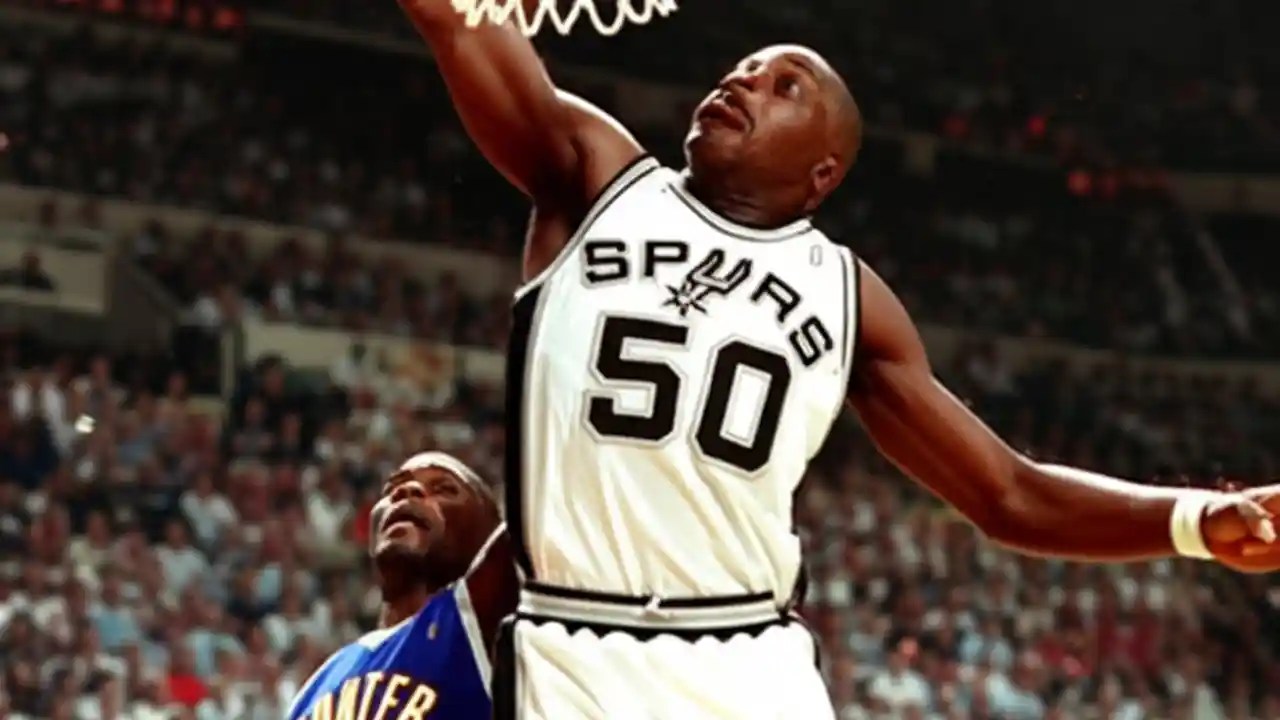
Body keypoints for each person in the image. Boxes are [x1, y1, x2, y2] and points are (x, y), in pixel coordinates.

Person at [397, 3, 1280, 717]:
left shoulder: (848, 295)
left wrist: (1196, 520)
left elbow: (1006, 493)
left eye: (787, 85)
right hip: (572, 654)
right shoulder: (595, 175)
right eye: (742, 67)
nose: (745, 79)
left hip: (752, 665)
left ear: (821, 174)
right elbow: (452, 19)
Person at [287, 452, 515, 720]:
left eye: (443, 489)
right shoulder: (315, 688)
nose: (407, 490)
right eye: (392, 489)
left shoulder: (476, 623)